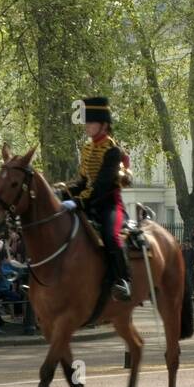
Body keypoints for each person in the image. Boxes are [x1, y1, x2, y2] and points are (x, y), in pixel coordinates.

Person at [64, 96, 133, 300]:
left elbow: (103, 185)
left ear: (103, 125)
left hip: (109, 205)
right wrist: (62, 192)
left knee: (112, 237)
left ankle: (124, 280)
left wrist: (79, 201)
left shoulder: (113, 151)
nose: (86, 126)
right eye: (86, 122)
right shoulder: (86, 149)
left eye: (90, 122)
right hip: (87, 204)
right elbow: (83, 181)